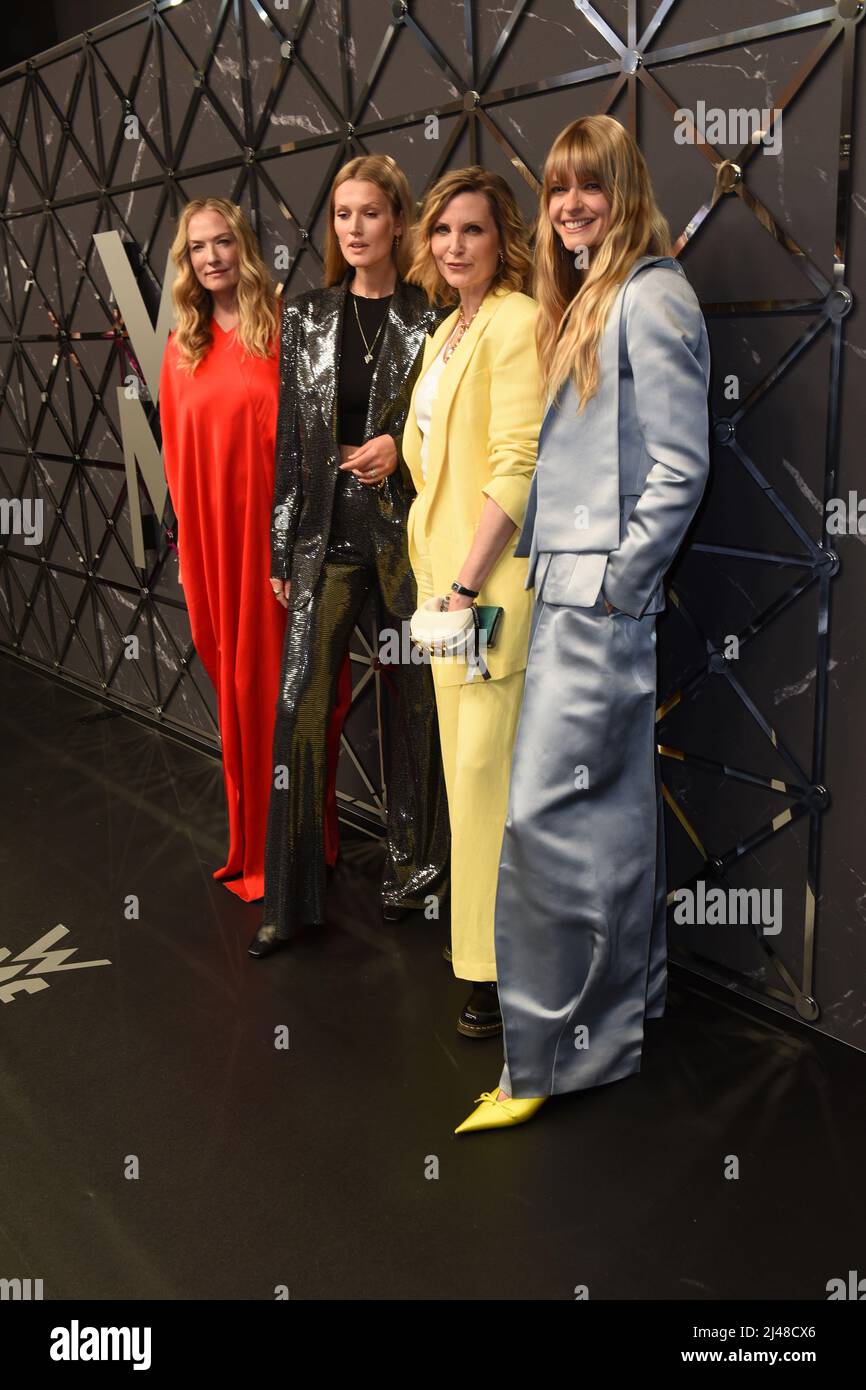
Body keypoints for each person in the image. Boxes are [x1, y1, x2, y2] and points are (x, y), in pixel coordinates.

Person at [455, 116, 712, 1133]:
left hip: (596, 603)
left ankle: (550, 1058)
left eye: (587, 188)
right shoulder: (585, 300)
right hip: (564, 595)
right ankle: (624, 1012)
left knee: (548, 827)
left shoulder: (651, 295)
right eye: (557, 189)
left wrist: (617, 585)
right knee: (603, 821)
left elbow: (680, 467)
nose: (567, 206)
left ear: (623, 191)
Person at [249, 155, 450, 957]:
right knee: (298, 704)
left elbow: (446, 425)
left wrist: (399, 446)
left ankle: (415, 875)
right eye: (342, 214)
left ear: (398, 221)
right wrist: (279, 544)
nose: (355, 228)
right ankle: (290, 898)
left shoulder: (431, 316)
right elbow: (293, 442)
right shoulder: (304, 316)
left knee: (418, 708)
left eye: (370, 213)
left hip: (406, 532)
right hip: (325, 534)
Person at [159, 198, 350, 903]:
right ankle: (261, 844)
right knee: (240, 692)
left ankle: (301, 845)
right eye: (197, 248)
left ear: (245, 245)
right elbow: (177, 461)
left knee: (294, 695)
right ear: (187, 261)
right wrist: (186, 548)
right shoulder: (183, 348)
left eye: (222, 242)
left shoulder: (287, 325)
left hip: (282, 551)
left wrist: (304, 548)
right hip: (214, 549)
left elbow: (316, 440)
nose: (211, 257)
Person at [401, 167, 542, 1034]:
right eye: (444, 230)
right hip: (443, 591)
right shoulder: (445, 330)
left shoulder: (517, 321)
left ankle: (497, 974)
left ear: (503, 239)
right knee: (465, 776)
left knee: (487, 779)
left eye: (474, 231)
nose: (456, 246)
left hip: (484, 594)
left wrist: (462, 583)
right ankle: (484, 957)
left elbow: (515, 466)